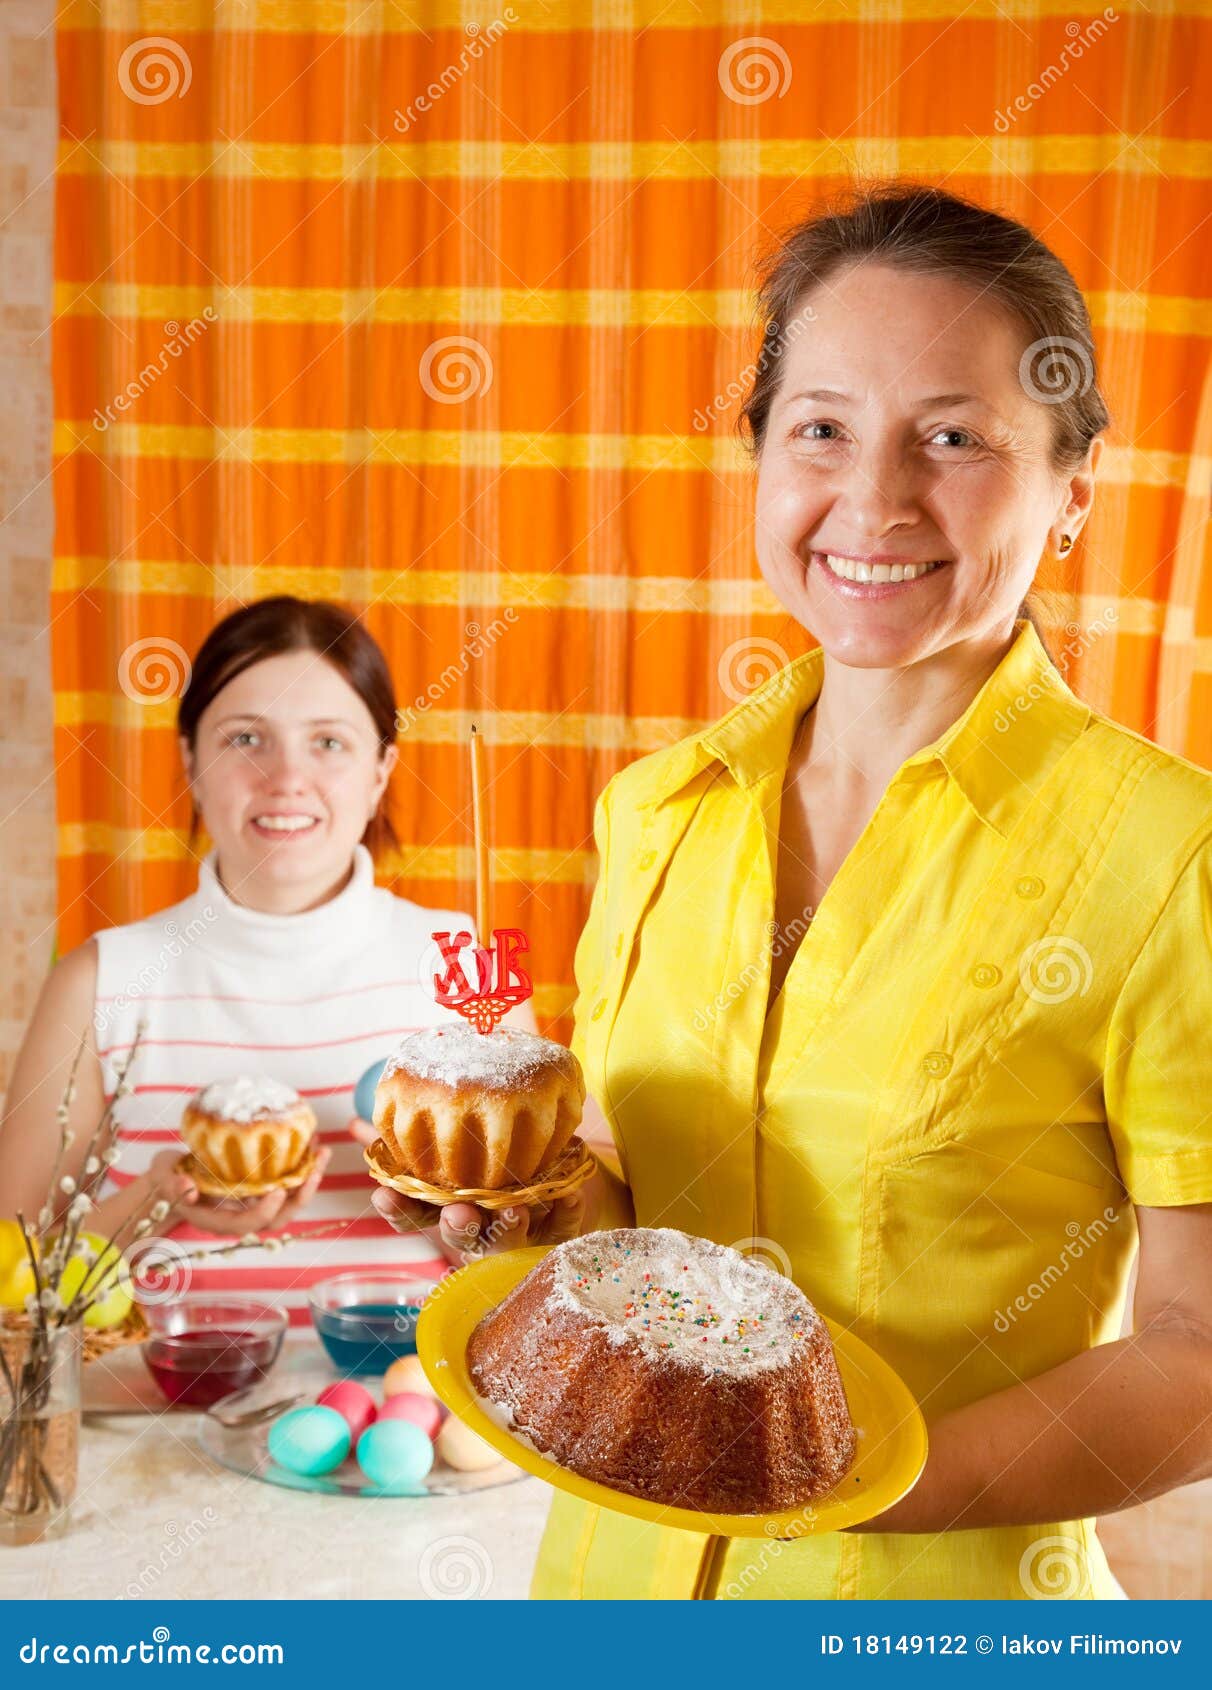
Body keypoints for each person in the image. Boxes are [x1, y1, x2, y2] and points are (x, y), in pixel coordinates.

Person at [375, 182, 1212, 1598]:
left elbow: (1196, 1356)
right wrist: (526, 1217)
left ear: (1074, 488)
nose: (872, 501)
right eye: (820, 427)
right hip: (607, 1597)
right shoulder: (656, 814)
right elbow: (639, 1220)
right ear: (760, 454)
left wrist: (848, 1484)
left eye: (953, 437)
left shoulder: (1170, 854)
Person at [0, 596, 573, 1320]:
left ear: (380, 770)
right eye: (245, 739)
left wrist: (458, 1211)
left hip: (404, 1411)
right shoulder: (98, 982)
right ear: (189, 762)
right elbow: (13, 1283)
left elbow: (534, 1278)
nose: (286, 778)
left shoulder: (468, 973)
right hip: (150, 1410)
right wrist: (159, 1196)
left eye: (329, 742)